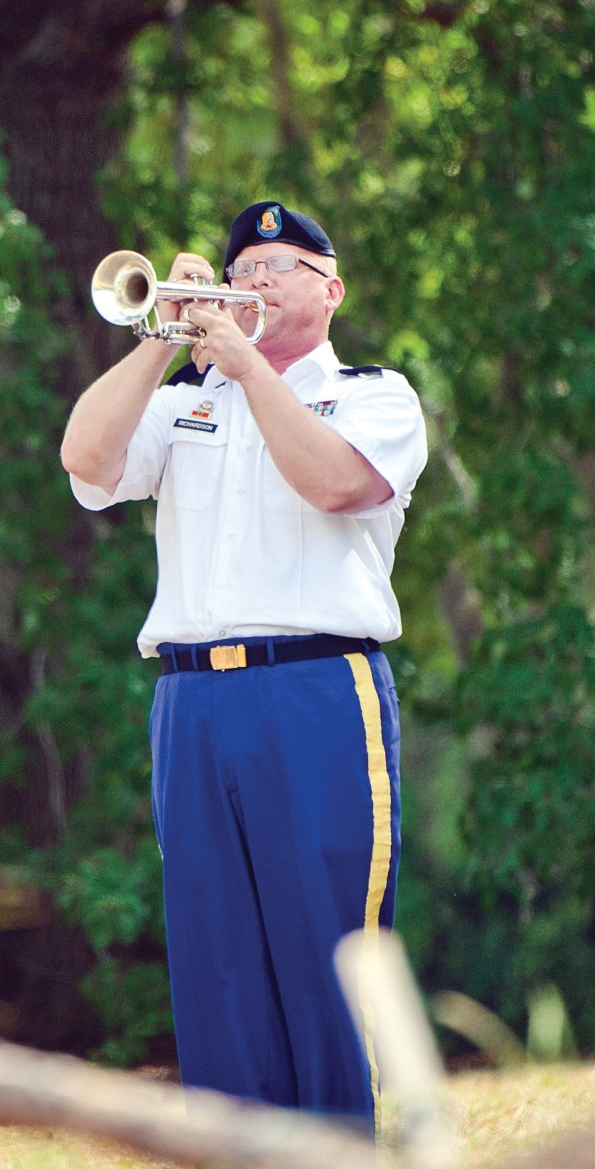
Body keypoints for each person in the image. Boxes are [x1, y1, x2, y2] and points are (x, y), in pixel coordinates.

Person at [60, 200, 428, 1134]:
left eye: (279, 264)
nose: (254, 279)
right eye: (243, 266)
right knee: (214, 958)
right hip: (192, 702)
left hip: (315, 692)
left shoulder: (374, 395)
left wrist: (247, 364)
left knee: (330, 952)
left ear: (331, 288)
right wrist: (163, 332)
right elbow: (87, 460)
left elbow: (336, 483)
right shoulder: (183, 399)